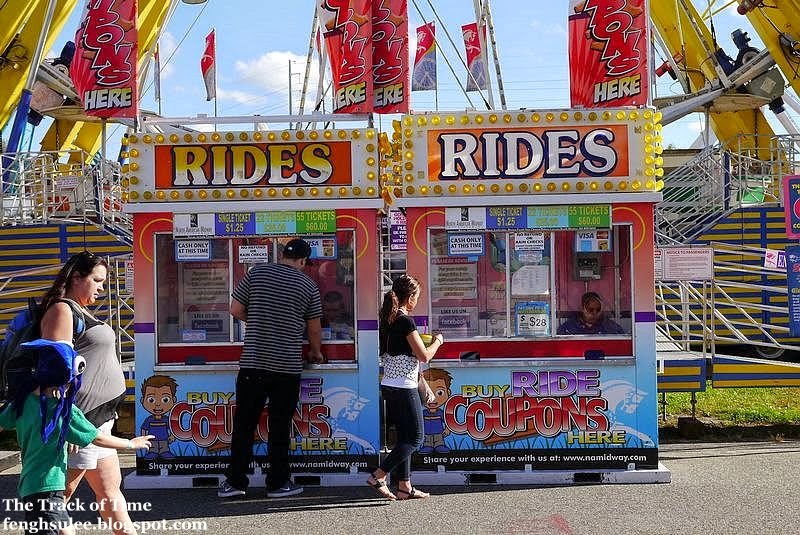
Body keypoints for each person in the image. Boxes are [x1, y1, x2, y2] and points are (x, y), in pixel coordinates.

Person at [0, 339, 153, 535]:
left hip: (30, 484)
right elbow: (97, 438)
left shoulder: (21, 402)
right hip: (50, 486)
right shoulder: (65, 411)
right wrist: (130, 444)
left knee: (64, 530)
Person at [219, 238, 325, 499]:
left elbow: (235, 309)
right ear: (302, 261)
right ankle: (277, 484)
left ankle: (235, 483)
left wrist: (257, 319)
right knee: (279, 427)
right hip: (286, 367)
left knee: (244, 425)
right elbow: (314, 327)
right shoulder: (308, 285)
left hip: (253, 364)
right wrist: (315, 352)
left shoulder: (257, 273)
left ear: (283, 255)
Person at [38, 251, 134, 535]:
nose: (102, 288)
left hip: (97, 421)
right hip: (78, 424)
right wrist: (67, 424)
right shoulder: (62, 310)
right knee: (58, 500)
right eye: (97, 280)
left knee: (109, 491)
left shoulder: (79, 310)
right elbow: (55, 372)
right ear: (76, 277)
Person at [367, 275, 444, 501]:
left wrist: (423, 384)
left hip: (391, 385)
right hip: (403, 388)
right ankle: (378, 475)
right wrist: (438, 341)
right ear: (409, 297)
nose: (417, 302)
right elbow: (423, 355)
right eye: (416, 298)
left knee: (404, 438)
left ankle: (404, 486)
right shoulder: (405, 321)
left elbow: (405, 358)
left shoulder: (388, 319)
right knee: (416, 438)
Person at [557, 291, 625, 335]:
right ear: (582, 308)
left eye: (598, 309)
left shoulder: (611, 327)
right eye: (590, 309)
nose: (594, 313)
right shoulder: (568, 328)